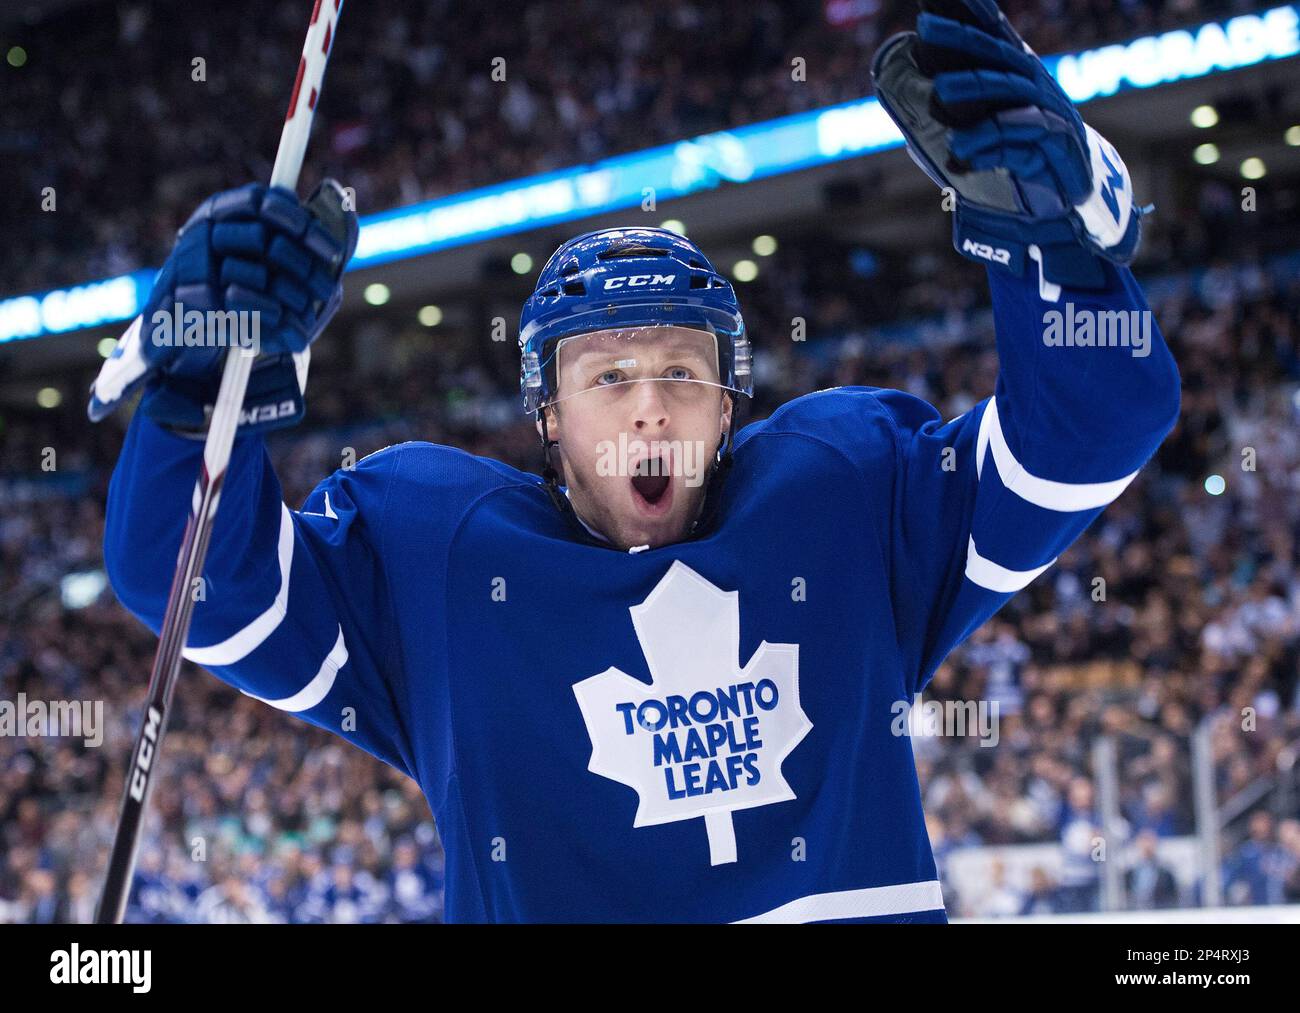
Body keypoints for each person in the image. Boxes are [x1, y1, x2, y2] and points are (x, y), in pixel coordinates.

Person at [91, 0, 1179, 922]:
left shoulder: (849, 500)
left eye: (682, 373)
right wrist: (198, 395)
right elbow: (190, 586)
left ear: (730, 404)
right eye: (608, 377)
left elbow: (1089, 431)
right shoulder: (440, 565)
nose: (649, 407)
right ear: (548, 417)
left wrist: (1053, 246)